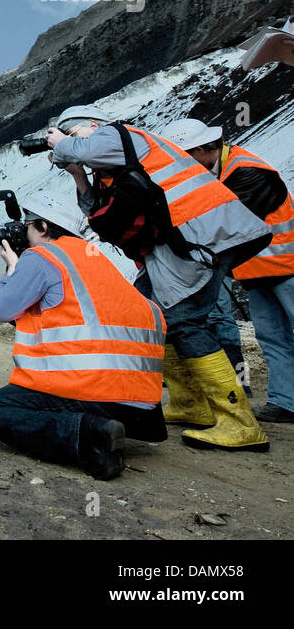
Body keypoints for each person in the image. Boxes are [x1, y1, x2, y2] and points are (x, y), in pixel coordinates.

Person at [47, 105, 272, 451]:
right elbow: (95, 213)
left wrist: (61, 143)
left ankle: (239, 423)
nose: (71, 144)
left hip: (204, 236)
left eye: (74, 133)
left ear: (92, 125)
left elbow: (81, 148)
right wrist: (78, 175)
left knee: (184, 323)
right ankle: (189, 405)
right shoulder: (107, 168)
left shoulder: (121, 136)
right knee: (148, 315)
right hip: (175, 248)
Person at [0, 194, 167, 479]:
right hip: (143, 409)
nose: (24, 233)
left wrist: (13, 269)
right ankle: (106, 423)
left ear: (43, 228)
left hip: (92, 392)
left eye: (28, 227)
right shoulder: (94, 258)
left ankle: (88, 436)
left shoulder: (42, 256)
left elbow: (2, 309)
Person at [160, 118, 294, 424]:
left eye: (186, 156)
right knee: (273, 339)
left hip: (287, 267)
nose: (184, 164)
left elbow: (224, 222)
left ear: (205, 148)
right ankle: (286, 402)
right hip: (259, 273)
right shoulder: (219, 172)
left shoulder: (248, 172)